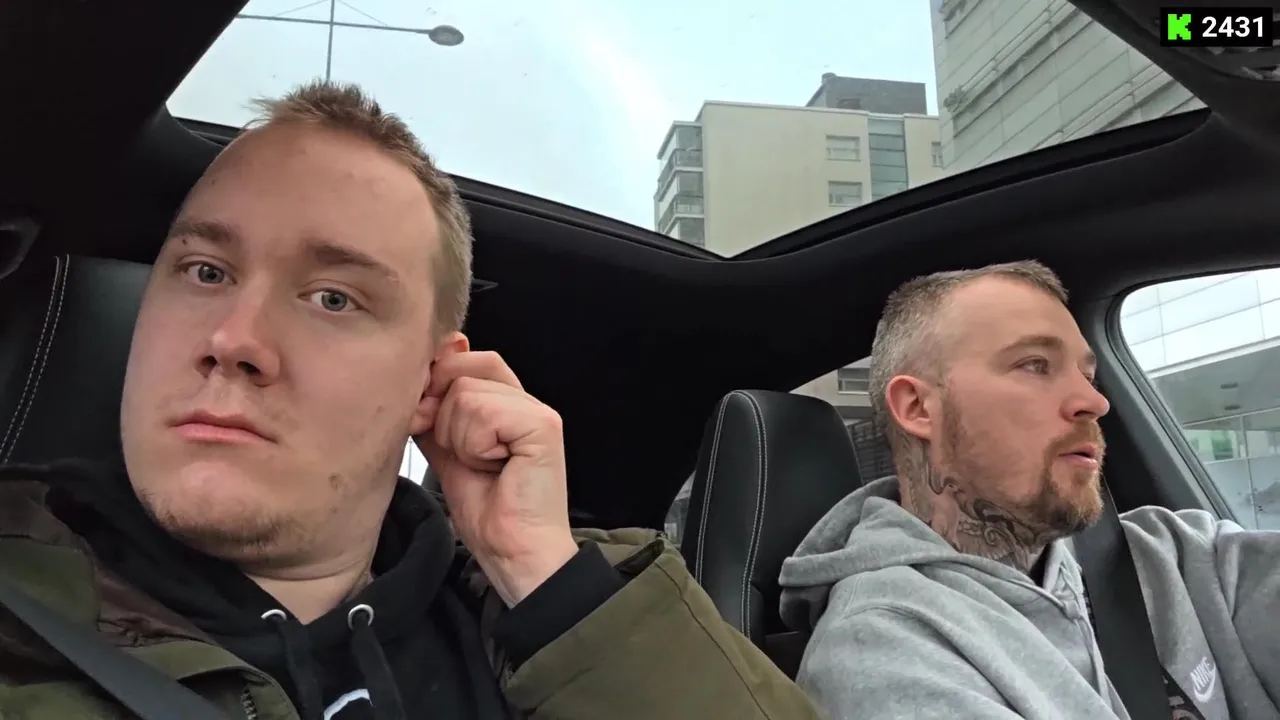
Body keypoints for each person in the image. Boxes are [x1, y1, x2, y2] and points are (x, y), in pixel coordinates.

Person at [0, 81, 823, 720]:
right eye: (205, 271)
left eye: (332, 298)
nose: (234, 338)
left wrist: (542, 574)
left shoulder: (542, 631)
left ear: (432, 380)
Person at [778, 261, 1280, 720]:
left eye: (1087, 375)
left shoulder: (1174, 554)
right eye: (1035, 364)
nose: (1094, 401)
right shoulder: (884, 653)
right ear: (918, 408)